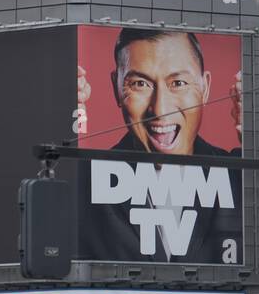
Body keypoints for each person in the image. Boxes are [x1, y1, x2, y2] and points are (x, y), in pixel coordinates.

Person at [78, 28, 242, 264]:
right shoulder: (83, 180)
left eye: (178, 82)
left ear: (205, 87)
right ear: (116, 87)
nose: (160, 108)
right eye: (140, 84)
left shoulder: (240, 175)